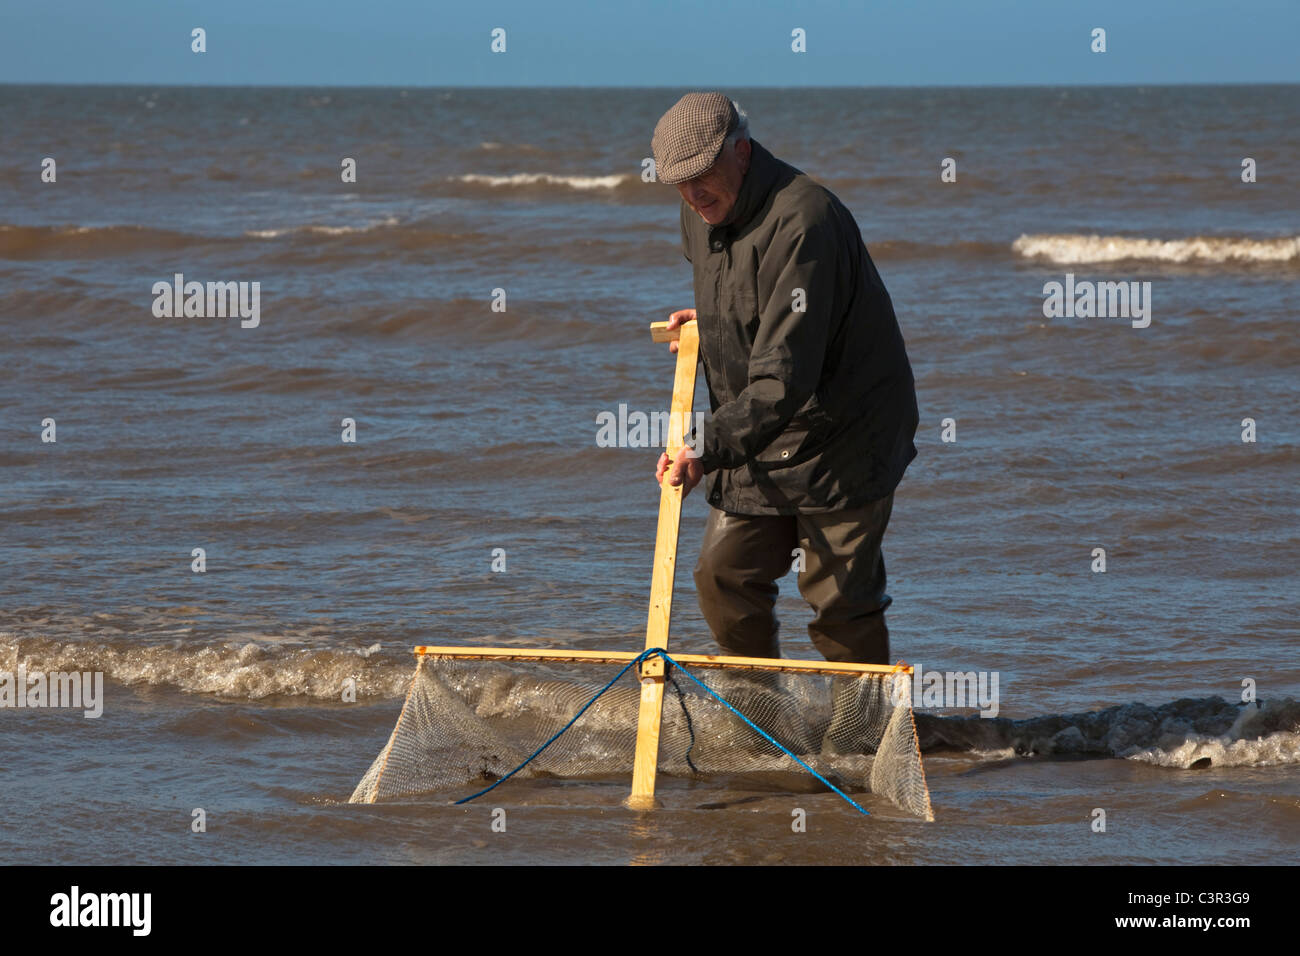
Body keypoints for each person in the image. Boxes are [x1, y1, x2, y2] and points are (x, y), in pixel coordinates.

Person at [651, 92, 919, 666]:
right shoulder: (701, 210)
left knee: (840, 600)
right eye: (678, 183)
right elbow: (754, 293)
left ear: (742, 152)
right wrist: (714, 321)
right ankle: (760, 727)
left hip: (843, 437)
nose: (693, 195)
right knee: (723, 577)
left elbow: (784, 374)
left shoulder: (806, 220)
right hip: (757, 430)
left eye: (701, 176)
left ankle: (859, 739)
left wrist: (704, 444)